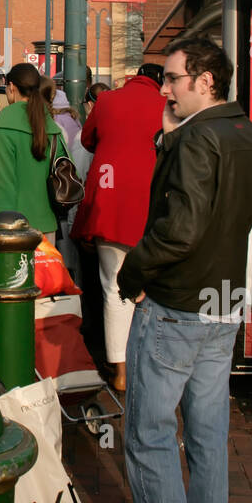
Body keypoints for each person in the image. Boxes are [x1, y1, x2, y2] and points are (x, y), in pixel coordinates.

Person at [112, 37, 252, 503]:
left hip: (178, 305)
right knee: (207, 435)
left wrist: (133, 274)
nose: (166, 88)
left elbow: (179, 227)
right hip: (222, 303)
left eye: (174, 79)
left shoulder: (200, 136)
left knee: (150, 434)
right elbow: (234, 213)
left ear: (205, 80)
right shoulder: (245, 133)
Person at [71, 63, 164, 393]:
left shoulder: (108, 100)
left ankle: (120, 371)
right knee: (150, 291)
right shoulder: (168, 105)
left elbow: (86, 139)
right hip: (152, 209)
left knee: (113, 288)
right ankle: (149, 365)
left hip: (109, 205)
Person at [0, 62, 71, 242]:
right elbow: (67, 171)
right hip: (48, 226)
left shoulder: (4, 124)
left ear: (11, 87)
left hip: (13, 229)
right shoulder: (50, 124)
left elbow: (3, 186)